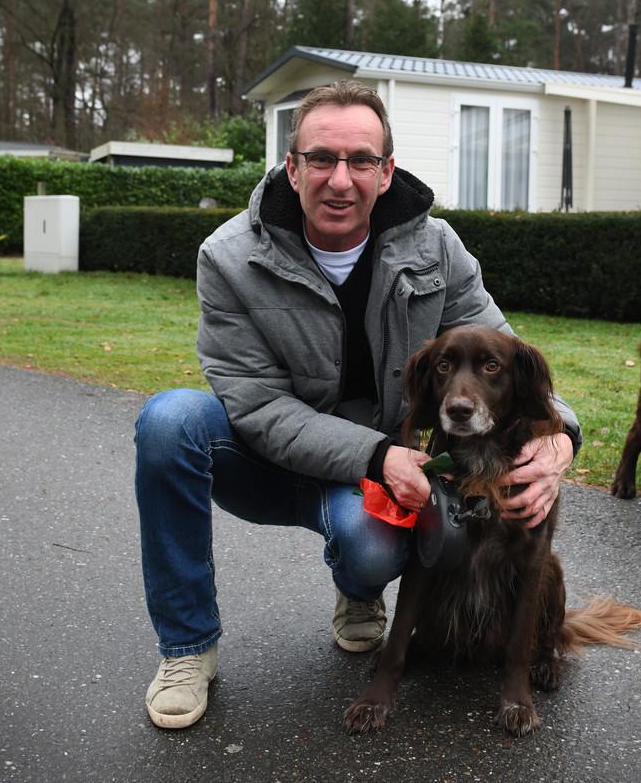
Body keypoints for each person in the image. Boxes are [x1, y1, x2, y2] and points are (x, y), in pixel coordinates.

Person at [133, 80, 581, 730]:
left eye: (360, 160)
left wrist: (561, 432)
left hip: (367, 479)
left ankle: (360, 591)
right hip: (269, 461)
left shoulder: (438, 249)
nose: (339, 179)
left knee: (371, 550)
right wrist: (378, 455)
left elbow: (503, 351)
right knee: (169, 421)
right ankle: (186, 649)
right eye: (320, 158)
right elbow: (254, 406)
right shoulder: (228, 257)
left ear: (385, 170)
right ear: (291, 167)